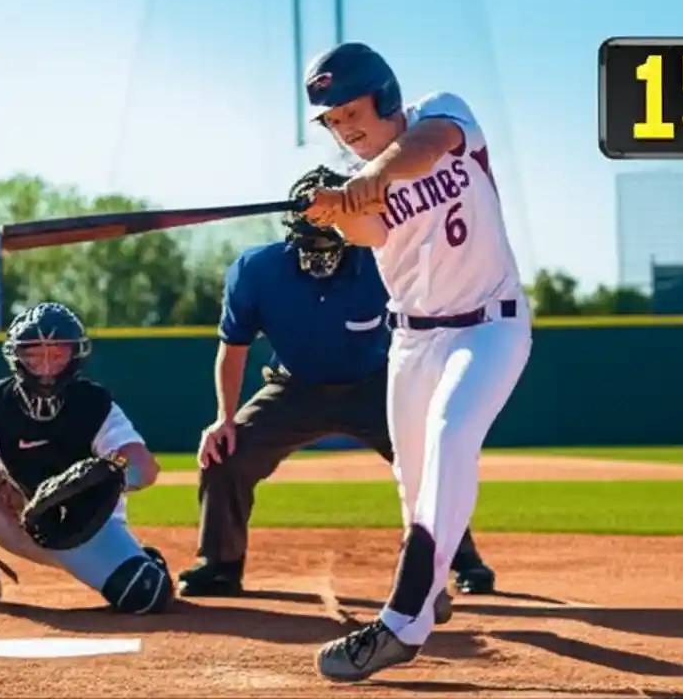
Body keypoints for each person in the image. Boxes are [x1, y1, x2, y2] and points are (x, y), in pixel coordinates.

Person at [298, 42, 534, 682]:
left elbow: (428, 146)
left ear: (386, 94)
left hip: (489, 328)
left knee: (451, 433)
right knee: (413, 475)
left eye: (351, 110)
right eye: (332, 120)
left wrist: (371, 179)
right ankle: (430, 590)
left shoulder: (443, 114)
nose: (345, 128)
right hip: (411, 342)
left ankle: (403, 620)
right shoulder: (355, 183)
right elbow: (368, 231)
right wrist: (332, 213)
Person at [176, 205, 498, 603]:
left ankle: (461, 558)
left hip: (374, 386)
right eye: (308, 243)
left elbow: (425, 327)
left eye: (329, 242)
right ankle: (220, 566)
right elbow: (233, 347)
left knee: (431, 458)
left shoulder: (384, 262)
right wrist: (223, 419)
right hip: (293, 387)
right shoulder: (256, 269)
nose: (318, 255)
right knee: (226, 454)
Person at [0, 301, 173, 614]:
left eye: (57, 354)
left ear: (75, 355)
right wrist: (6, 484)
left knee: (146, 593)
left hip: (82, 530)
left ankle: (137, 558)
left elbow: (144, 465)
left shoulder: (93, 403)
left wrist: (112, 473)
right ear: (17, 356)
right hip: (16, 517)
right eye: (34, 354)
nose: (46, 365)